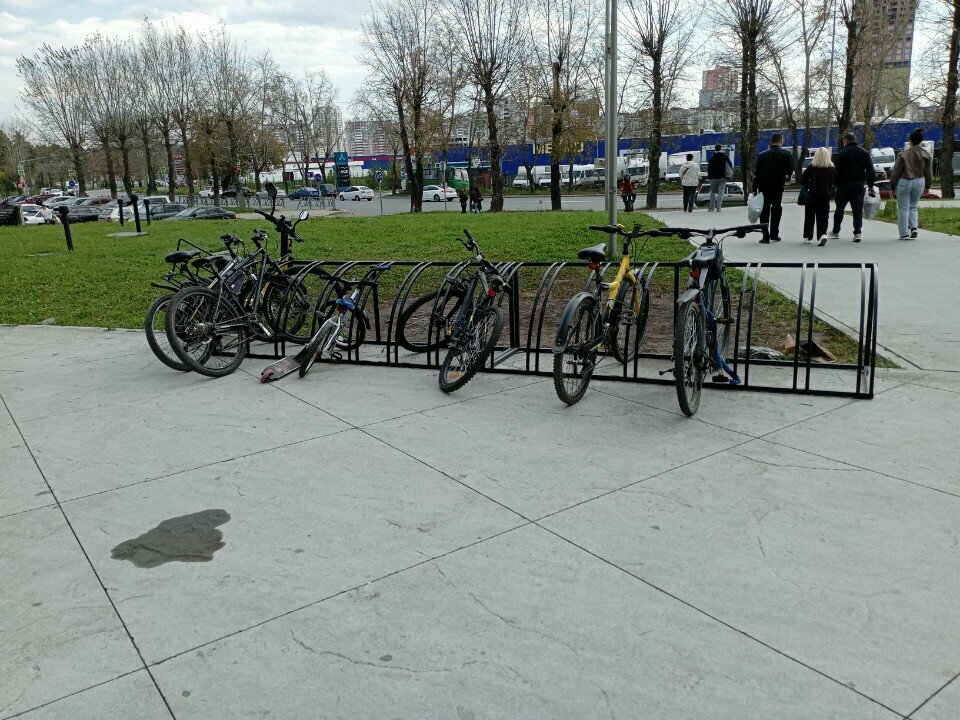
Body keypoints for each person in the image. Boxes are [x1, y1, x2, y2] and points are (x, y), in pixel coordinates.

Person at [826, 131, 875, 243]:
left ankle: (835, 231)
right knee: (857, 210)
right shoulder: (864, 153)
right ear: (855, 139)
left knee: (839, 209)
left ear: (845, 141)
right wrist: (871, 185)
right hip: (858, 185)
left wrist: (834, 184)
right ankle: (857, 233)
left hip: (843, 186)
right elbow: (870, 171)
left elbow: (835, 171)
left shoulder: (841, 154)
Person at [889, 128, 933, 240]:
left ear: (910, 140)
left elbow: (896, 172)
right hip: (920, 181)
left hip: (905, 180)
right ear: (920, 141)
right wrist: (928, 185)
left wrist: (892, 185)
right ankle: (914, 228)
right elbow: (929, 172)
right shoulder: (926, 154)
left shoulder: (903, 154)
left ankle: (904, 233)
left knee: (903, 208)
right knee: (913, 206)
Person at [753, 132, 794, 243]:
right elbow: (790, 170)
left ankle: (765, 236)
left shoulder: (762, 155)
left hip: (764, 186)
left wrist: (754, 188)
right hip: (778, 186)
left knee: (765, 210)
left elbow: (757, 173)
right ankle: (775, 234)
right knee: (776, 208)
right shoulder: (786, 154)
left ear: (771, 141)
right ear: (780, 140)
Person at [799, 147, 837, 246]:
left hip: (812, 196)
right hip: (825, 196)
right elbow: (835, 182)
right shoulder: (831, 168)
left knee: (809, 216)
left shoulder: (811, 167)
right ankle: (822, 234)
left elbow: (802, 180)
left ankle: (807, 236)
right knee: (823, 216)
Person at [706, 144, 733, 212]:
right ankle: (719, 207)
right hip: (723, 177)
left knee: (712, 192)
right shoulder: (725, 156)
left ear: (715, 149)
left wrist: (709, 176)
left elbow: (709, 168)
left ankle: (711, 207)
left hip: (713, 177)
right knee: (721, 192)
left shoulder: (712, 158)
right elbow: (730, 165)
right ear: (721, 149)